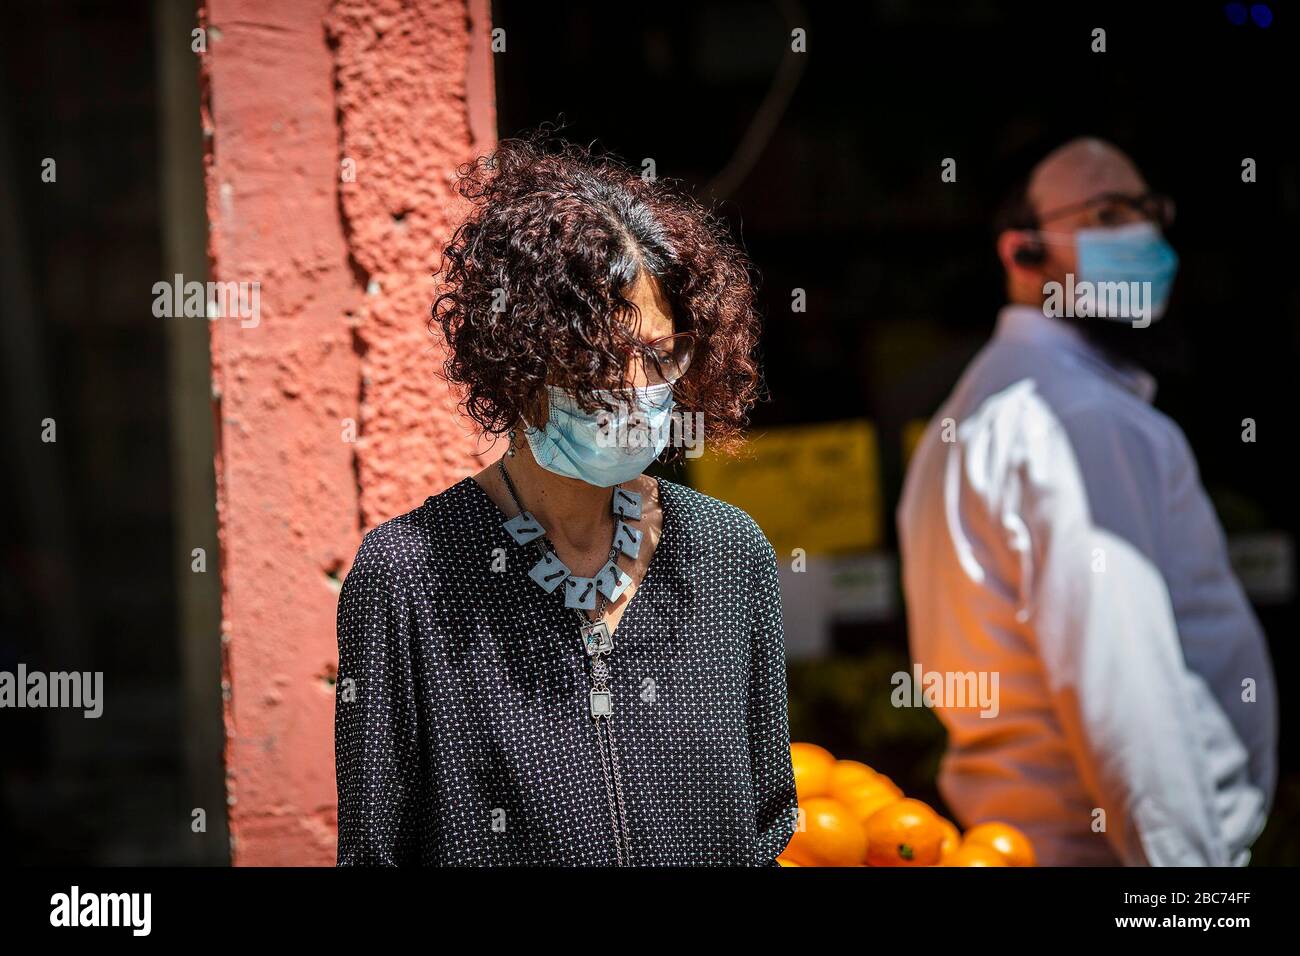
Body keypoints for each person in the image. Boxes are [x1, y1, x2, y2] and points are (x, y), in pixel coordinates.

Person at [334, 133, 797, 866]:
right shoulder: (407, 579)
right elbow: (374, 854)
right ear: (517, 357)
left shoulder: (729, 554)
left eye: (658, 352)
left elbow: (767, 827)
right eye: (600, 355)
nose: (638, 385)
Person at [896, 137, 1277, 865]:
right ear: (1021, 253)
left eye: (1146, 209)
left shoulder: (978, 409)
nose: (1139, 234)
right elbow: (1126, 694)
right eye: (1104, 214)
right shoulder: (1079, 419)